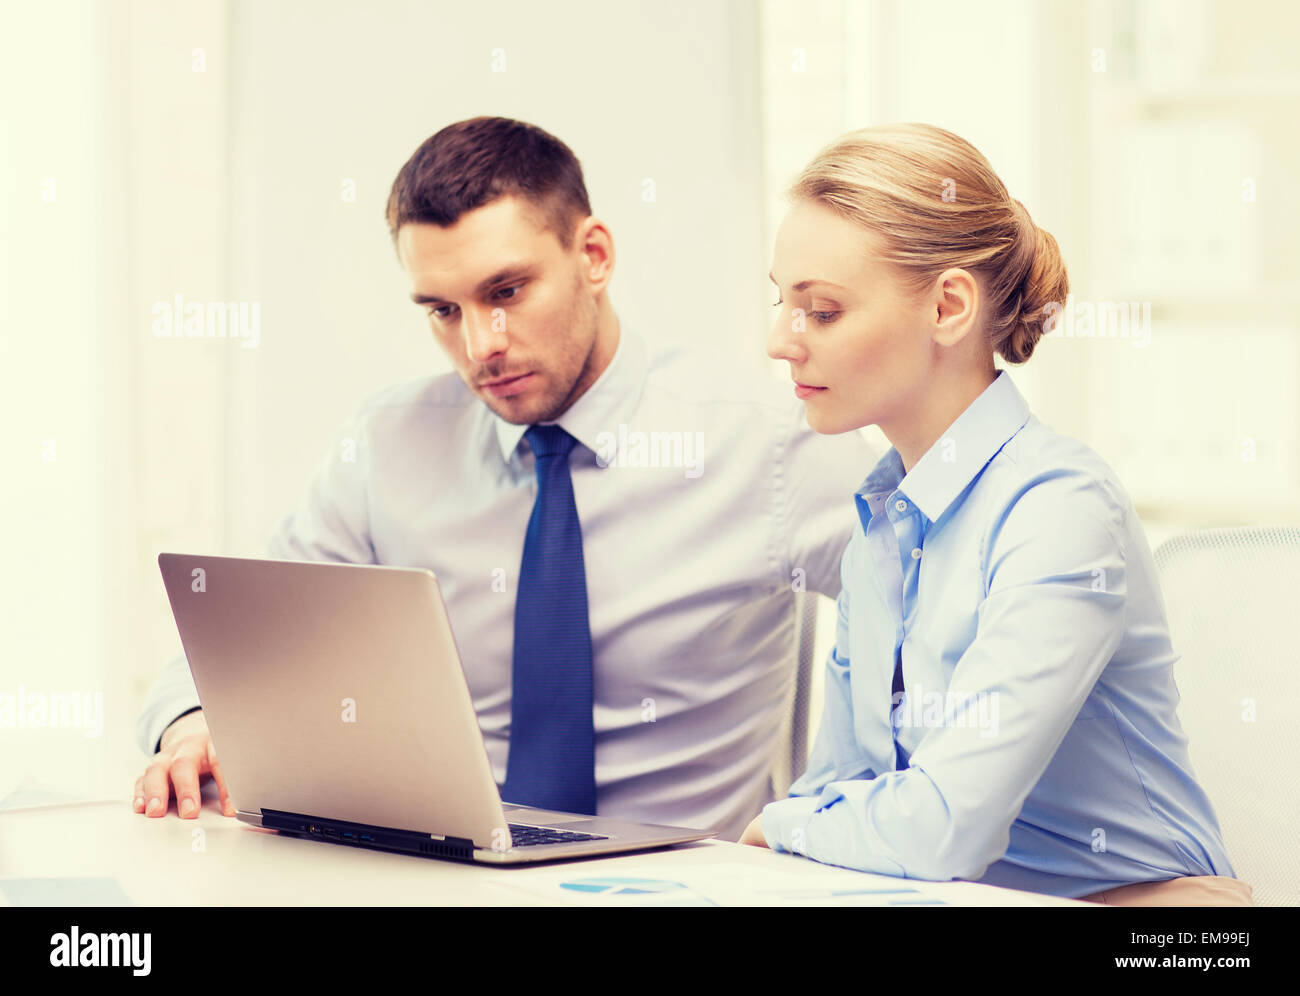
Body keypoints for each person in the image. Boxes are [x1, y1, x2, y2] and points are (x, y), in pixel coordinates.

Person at [133, 116, 874, 841]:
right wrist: (194, 725)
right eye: (443, 310)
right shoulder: (389, 446)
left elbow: (948, 624)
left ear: (594, 255)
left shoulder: (773, 442)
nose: (481, 345)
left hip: (679, 889)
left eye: (507, 292)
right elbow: (240, 641)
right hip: (444, 879)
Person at [740, 122, 1252, 906]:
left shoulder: (1059, 510)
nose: (781, 340)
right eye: (783, 302)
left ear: (948, 307)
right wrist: (802, 823)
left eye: (823, 310)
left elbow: (942, 830)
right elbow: (838, 789)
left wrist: (784, 826)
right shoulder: (880, 526)